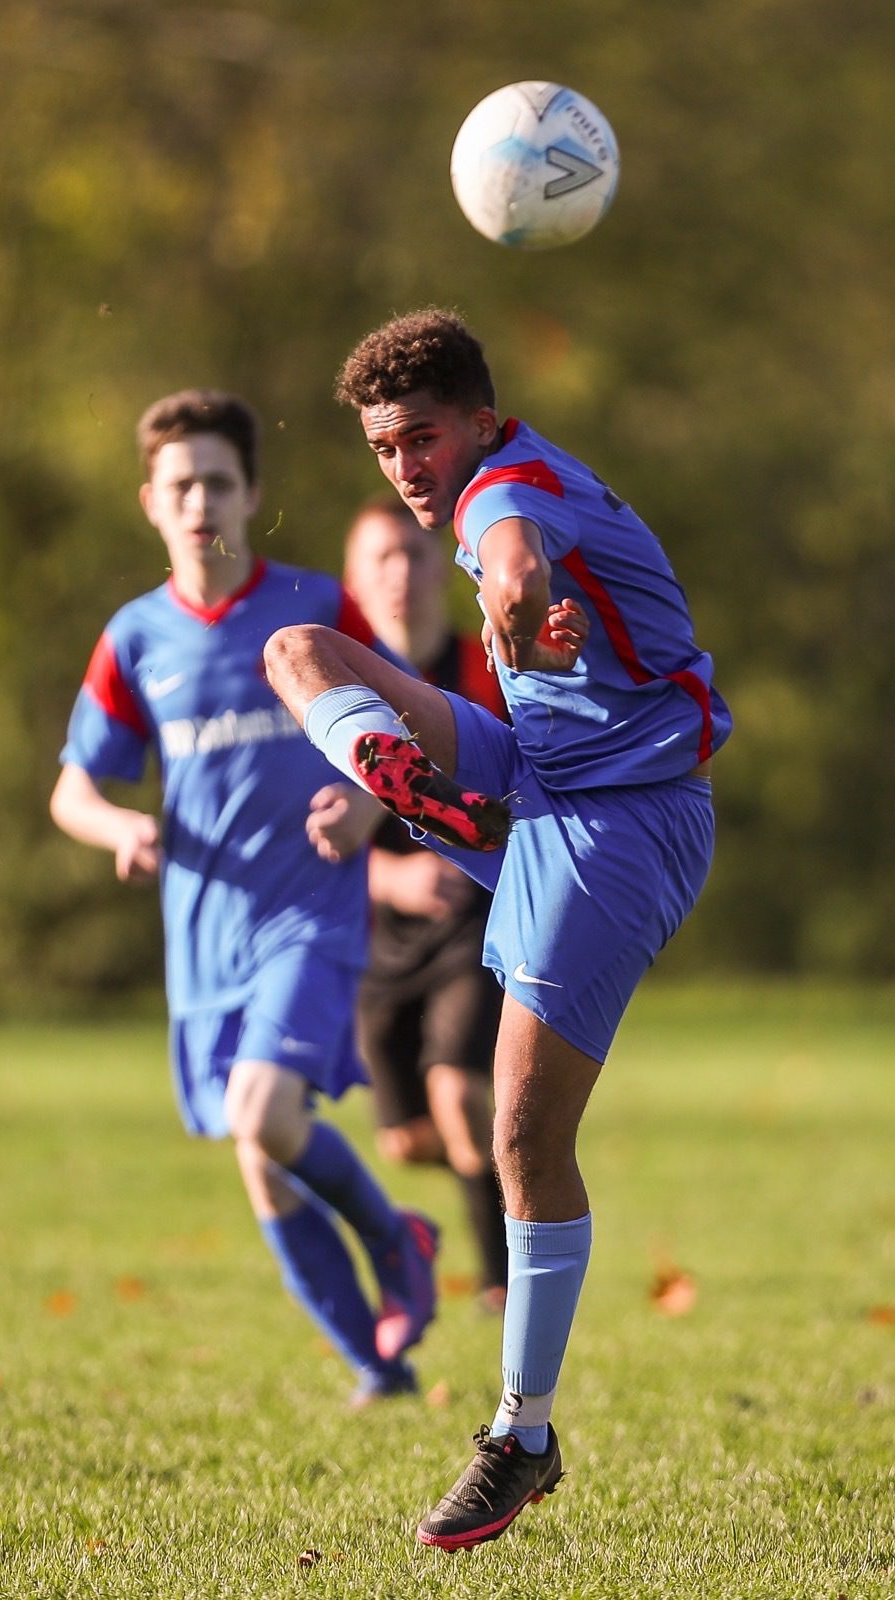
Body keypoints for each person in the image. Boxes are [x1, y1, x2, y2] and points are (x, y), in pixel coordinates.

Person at [263, 309, 732, 1548]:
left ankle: (520, 1436)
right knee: (300, 647)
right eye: (382, 448)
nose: (406, 466)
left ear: (477, 420)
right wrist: (506, 637)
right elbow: (517, 576)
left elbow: (511, 559)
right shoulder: (509, 481)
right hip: (532, 779)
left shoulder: (501, 490)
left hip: (619, 820)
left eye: (420, 437)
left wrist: (515, 610)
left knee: (522, 1135)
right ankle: (393, 780)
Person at [49, 388, 439, 1409]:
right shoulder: (135, 639)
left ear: (250, 491)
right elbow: (73, 789)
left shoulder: (315, 610)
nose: (199, 501)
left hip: (308, 914)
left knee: (262, 1113)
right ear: (150, 501)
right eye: (180, 484)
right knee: (262, 1164)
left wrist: (364, 803)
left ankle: (398, 1239)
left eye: (218, 481)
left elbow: (411, 715)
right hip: (201, 933)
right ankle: (378, 1367)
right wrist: (119, 824)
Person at [342, 495, 509, 1312]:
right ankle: (521, 1166)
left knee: (458, 1092)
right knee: (406, 1141)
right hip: (379, 933)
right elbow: (308, 840)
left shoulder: (486, 671)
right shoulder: (332, 686)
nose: (400, 573)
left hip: (475, 919)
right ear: (354, 581)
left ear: (440, 569)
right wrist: (392, 879)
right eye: (381, 558)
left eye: (413, 554)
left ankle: (502, 1280)